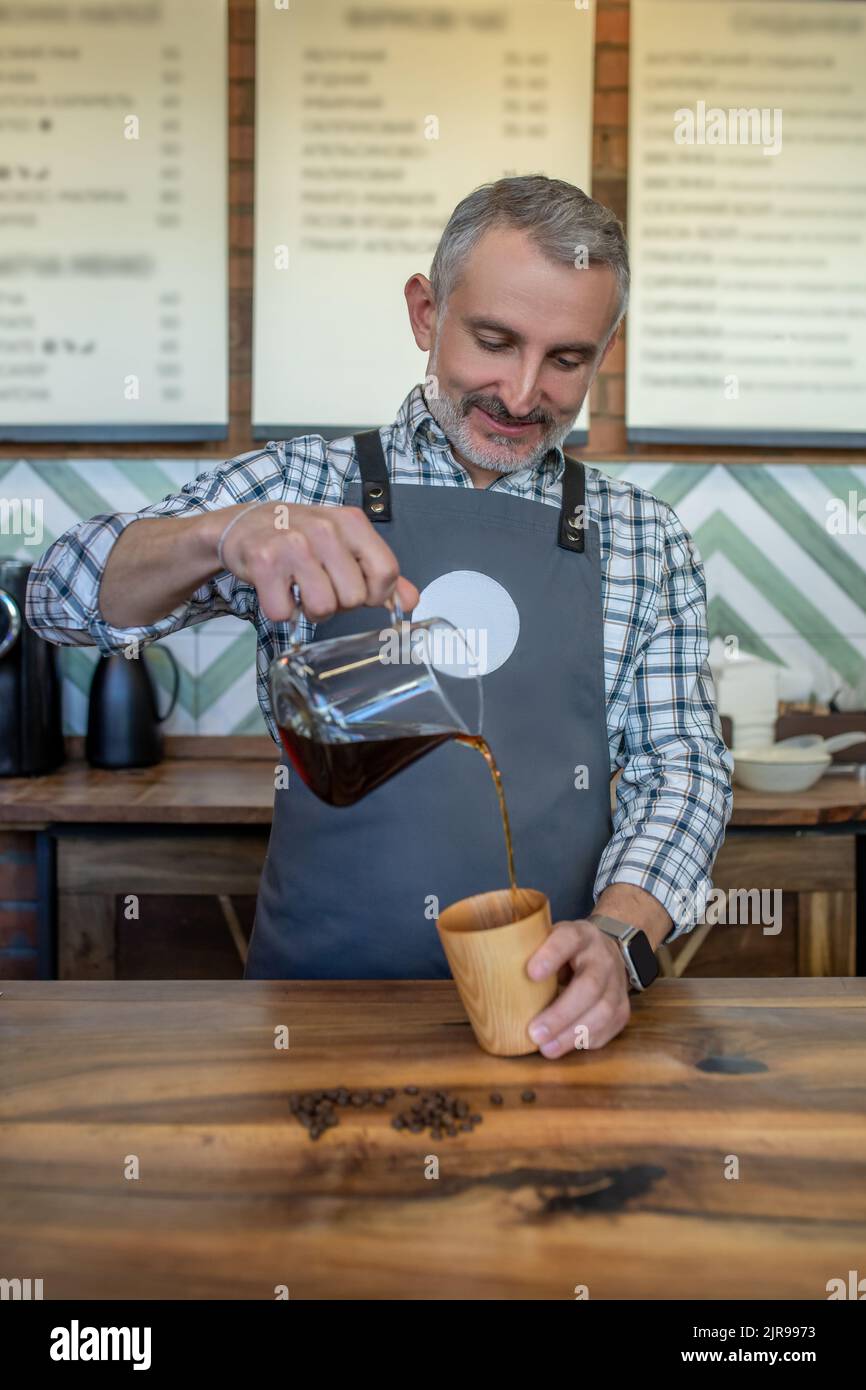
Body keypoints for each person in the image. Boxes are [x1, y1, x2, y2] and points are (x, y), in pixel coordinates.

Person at [27, 175, 733, 1055]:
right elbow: (57, 599)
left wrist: (621, 939)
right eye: (494, 340)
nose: (520, 394)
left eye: (566, 359)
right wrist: (223, 535)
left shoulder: (643, 537)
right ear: (424, 312)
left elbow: (683, 768)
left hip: (547, 1017)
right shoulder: (298, 487)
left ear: (605, 352)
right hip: (314, 1016)